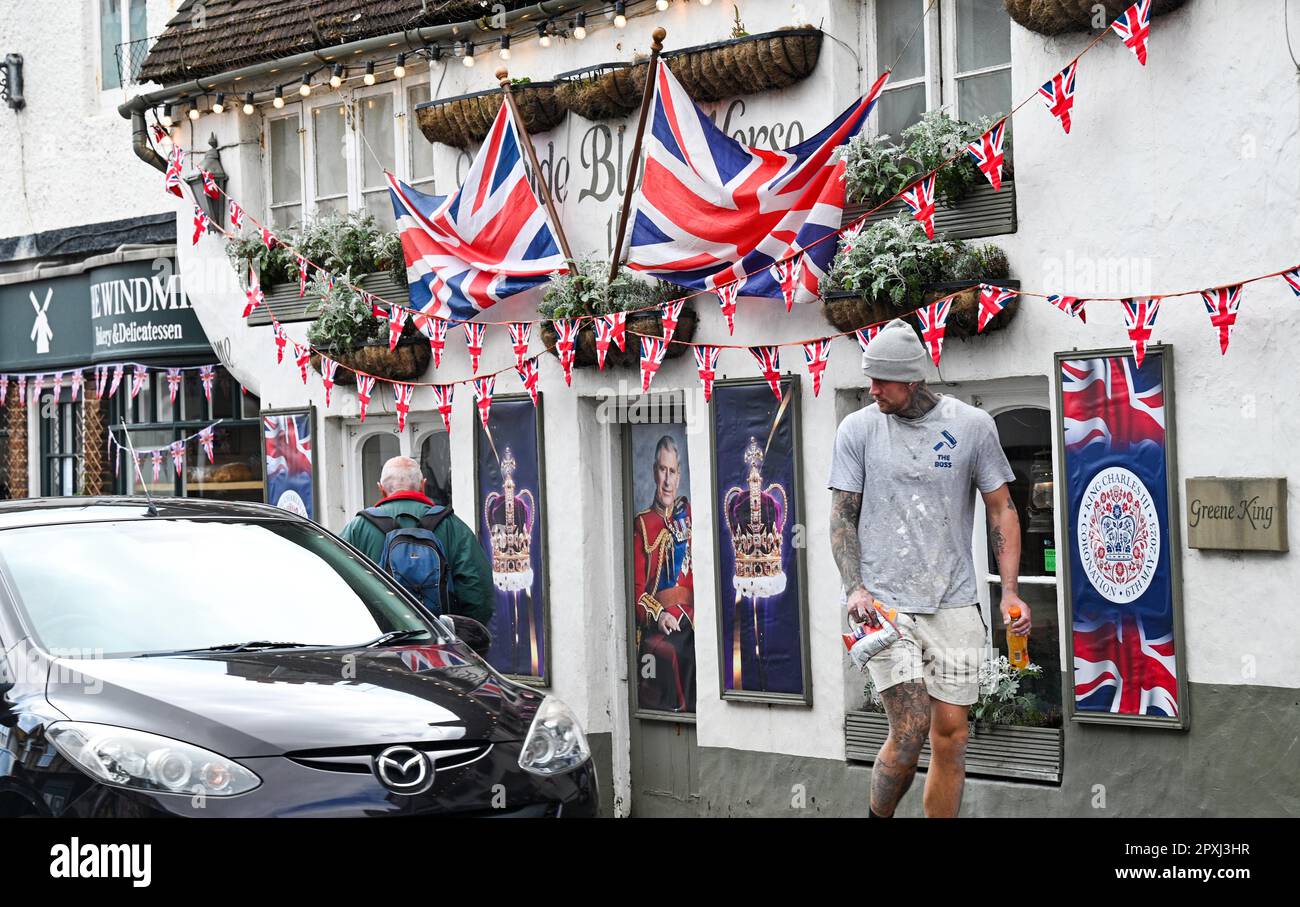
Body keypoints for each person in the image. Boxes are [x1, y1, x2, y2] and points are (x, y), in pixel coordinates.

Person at [828, 319, 1031, 818]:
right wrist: (854, 588)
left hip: (955, 603)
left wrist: (1009, 593)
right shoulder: (858, 429)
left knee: (952, 735)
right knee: (912, 725)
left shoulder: (971, 426)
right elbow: (842, 517)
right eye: (868, 379)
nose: (871, 389)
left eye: (882, 381)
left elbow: (1002, 509)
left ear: (913, 379)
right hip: (885, 608)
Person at [340, 456, 494, 627]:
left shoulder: (358, 528)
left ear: (381, 489)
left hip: (378, 645)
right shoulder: (451, 525)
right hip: (439, 644)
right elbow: (478, 590)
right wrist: (460, 635)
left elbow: (335, 586)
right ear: (423, 485)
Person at [632, 435, 695, 712]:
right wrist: (659, 615)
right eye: (662, 470)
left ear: (679, 476)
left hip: (694, 615)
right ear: (654, 472)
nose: (667, 481)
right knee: (678, 652)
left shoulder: (689, 515)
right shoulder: (644, 524)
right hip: (662, 624)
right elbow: (636, 591)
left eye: (672, 472)